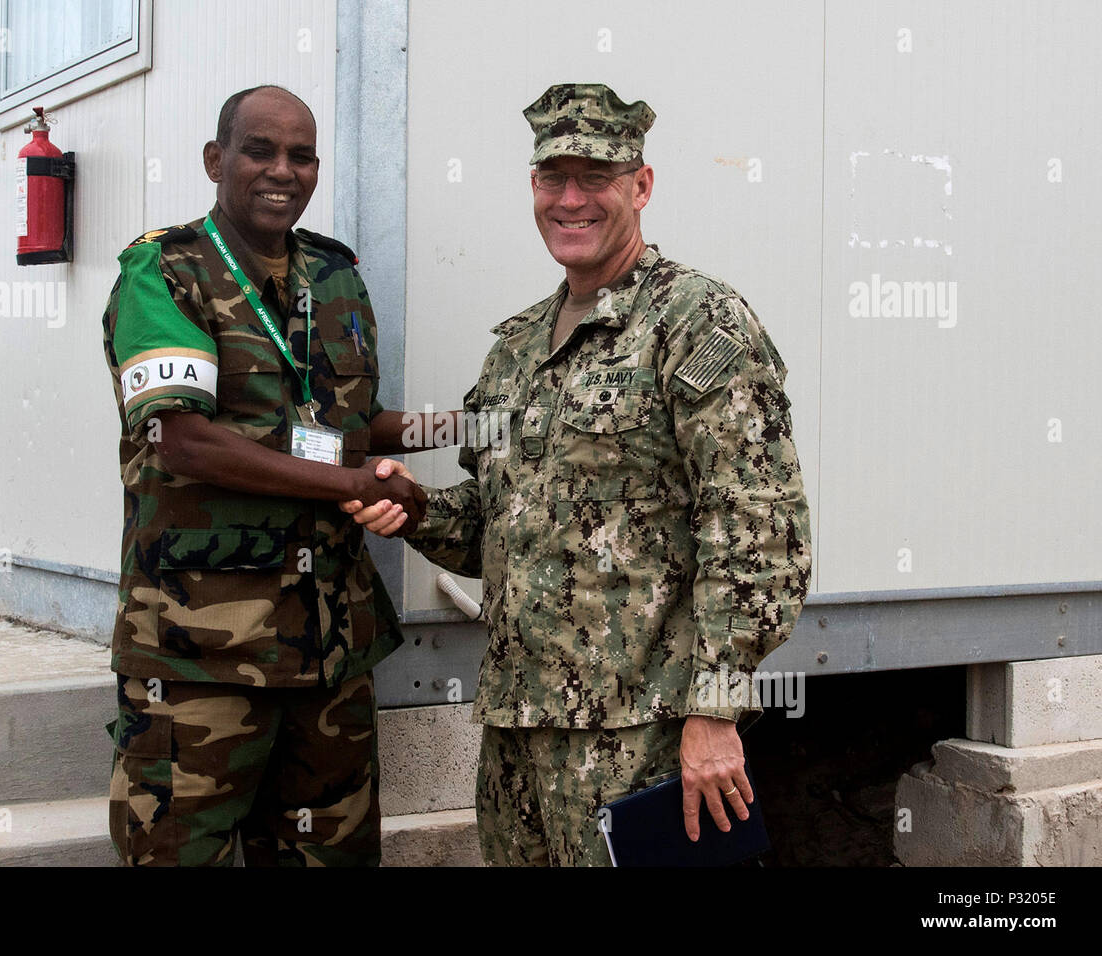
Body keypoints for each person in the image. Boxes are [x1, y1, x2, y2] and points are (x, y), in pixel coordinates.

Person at [343, 83, 813, 866]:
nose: (571, 200)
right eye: (552, 178)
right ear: (532, 187)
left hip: (646, 733)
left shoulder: (695, 320)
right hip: (519, 732)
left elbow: (758, 527)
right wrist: (414, 507)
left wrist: (716, 709)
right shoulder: (516, 346)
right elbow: (498, 524)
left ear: (641, 185)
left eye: (594, 177)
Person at [100, 84, 431, 867]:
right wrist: (358, 489)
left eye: (302, 154)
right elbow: (185, 442)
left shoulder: (336, 274)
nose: (282, 170)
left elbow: (349, 425)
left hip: (329, 650)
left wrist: (475, 426)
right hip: (199, 656)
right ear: (217, 160)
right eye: (260, 150)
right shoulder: (161, 273)